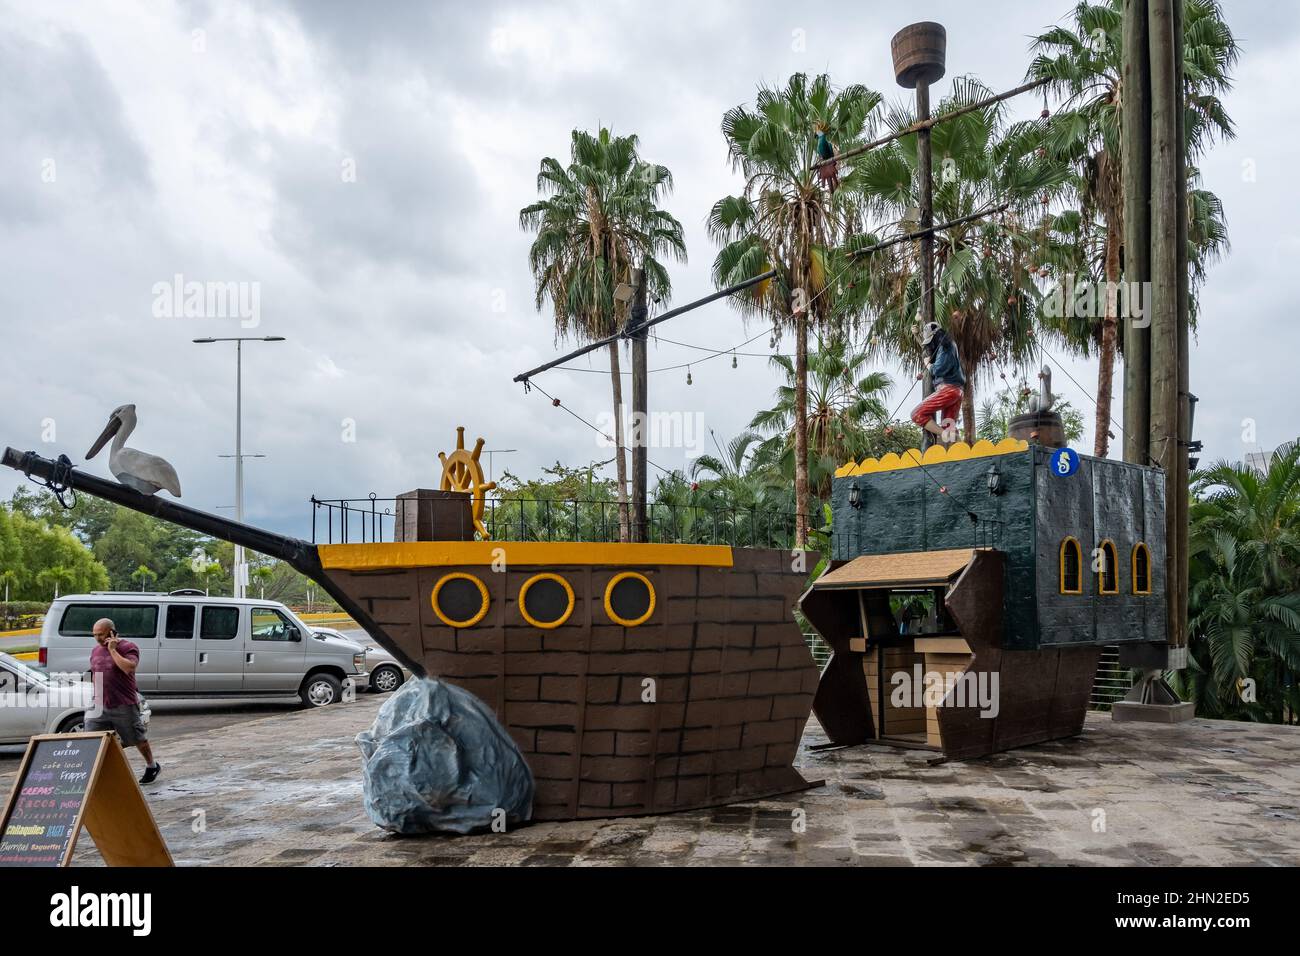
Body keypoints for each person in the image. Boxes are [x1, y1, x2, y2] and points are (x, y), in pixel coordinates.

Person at [87, 618, 161, 784]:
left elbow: (129, 668)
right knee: (92, 739)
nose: (98, 638)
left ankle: (152, 765)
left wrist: (113, 650)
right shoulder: (95, 651)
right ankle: (96, 775)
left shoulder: (128, 647)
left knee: (137, 739)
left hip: (123, 703)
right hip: (99, 704)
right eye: (95, 635)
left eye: (101, 634)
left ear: (112, 632)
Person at [910, 321, 965, 443]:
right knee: (948, 424)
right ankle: (956, 444)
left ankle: (944, 434)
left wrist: (927, 364)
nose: (930, 346)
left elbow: (937, 369)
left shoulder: (946, 346)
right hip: (957, 391)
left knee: (916, 414)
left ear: (937, 336)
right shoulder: (946, 347)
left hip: (948, 390)